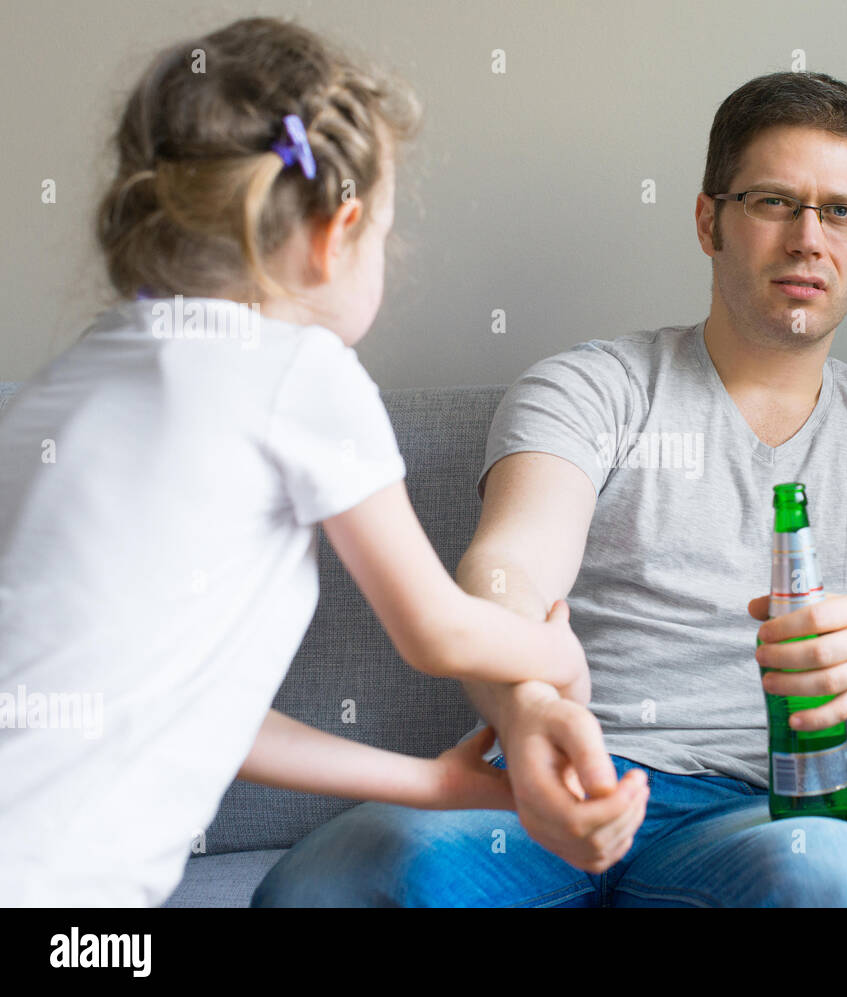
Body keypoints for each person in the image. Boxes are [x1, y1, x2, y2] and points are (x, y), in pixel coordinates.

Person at [251, 71, 847, 908]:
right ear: (708, 219)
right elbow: (508, 571)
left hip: (755, 823)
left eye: (841, 211)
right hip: (544, 792)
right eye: (774, 202)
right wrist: (525, 704)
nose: (809, 236)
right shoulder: (591, 387)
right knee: (337, 880)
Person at [0, 16, 607, 907]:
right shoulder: (297, 371)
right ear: (336, 231)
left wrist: (435, 783)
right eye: (385, 235)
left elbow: (203, 710)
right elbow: (434, 628)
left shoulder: (70, 382)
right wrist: (551, 650)